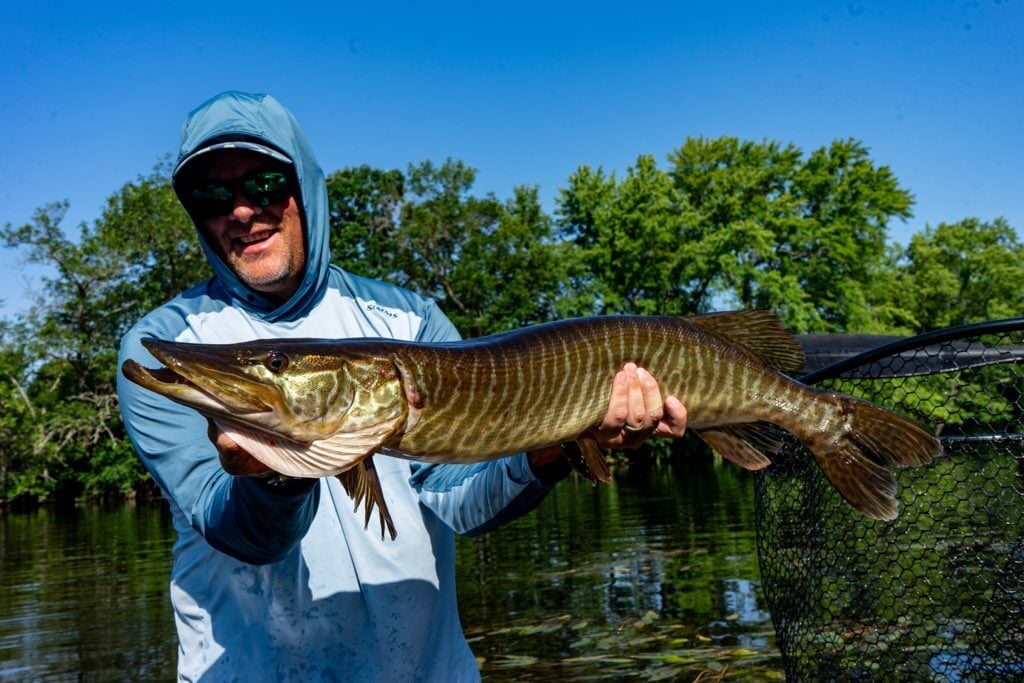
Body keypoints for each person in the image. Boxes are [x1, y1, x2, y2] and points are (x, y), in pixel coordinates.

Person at [117, 91, 687, 681]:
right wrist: (274, 476)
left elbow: (457, 499)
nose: (240, 211)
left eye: (264, 185)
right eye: (213, 196)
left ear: (303, 188)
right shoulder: (165, 345)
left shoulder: (410, 320)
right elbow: (240, 532)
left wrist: (555, 444)